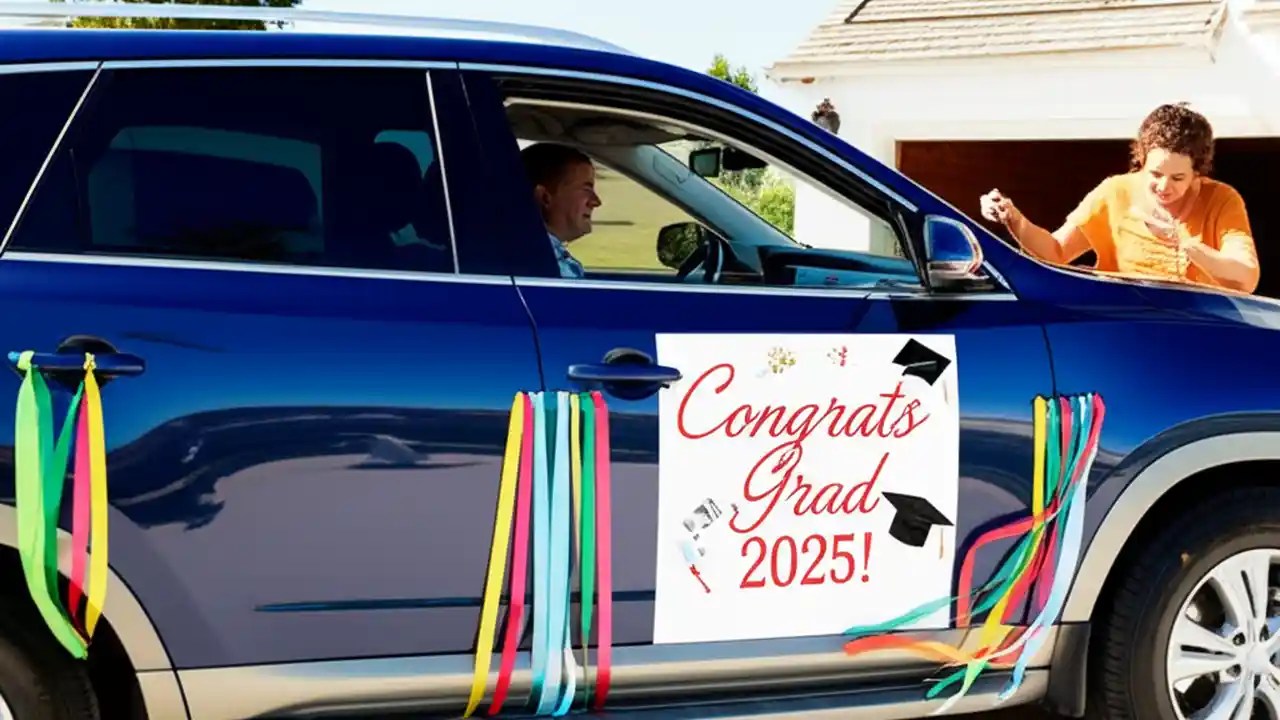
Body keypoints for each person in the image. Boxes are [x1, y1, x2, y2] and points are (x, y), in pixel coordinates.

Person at [979, 103, 1259, 293]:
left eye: (1177, 178)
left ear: (1197, 172)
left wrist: (1189, 248)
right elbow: (1055, 251)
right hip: (1125, 326)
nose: (1164, 187)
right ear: (1141, 160)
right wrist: (1014, 218)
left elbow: (1246, 277)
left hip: (1195, 327)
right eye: (1155, 174)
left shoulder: (1222, 199)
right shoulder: (1115, 191)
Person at [520, 142, 603, 278]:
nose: (596, 202)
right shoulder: (541, 264)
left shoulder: (537, 256)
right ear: (545, 197)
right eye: (586, 189)